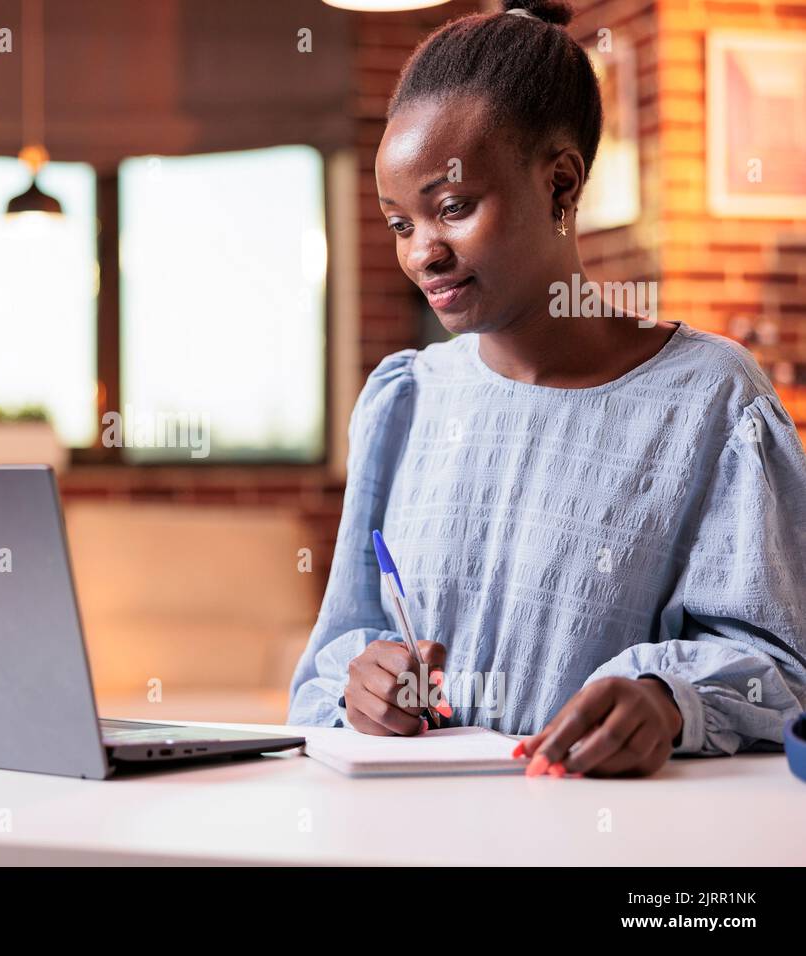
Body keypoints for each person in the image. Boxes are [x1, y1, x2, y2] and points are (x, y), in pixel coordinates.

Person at [287, 0, 806, 778]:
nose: (424, 253)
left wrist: (668, 699)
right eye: (400, 224)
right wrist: (362, 686)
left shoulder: (713, 402)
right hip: (409, 839)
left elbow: (781, 664)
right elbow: (331, 664)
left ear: (561, 186)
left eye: (453, 208)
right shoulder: (404, 402)